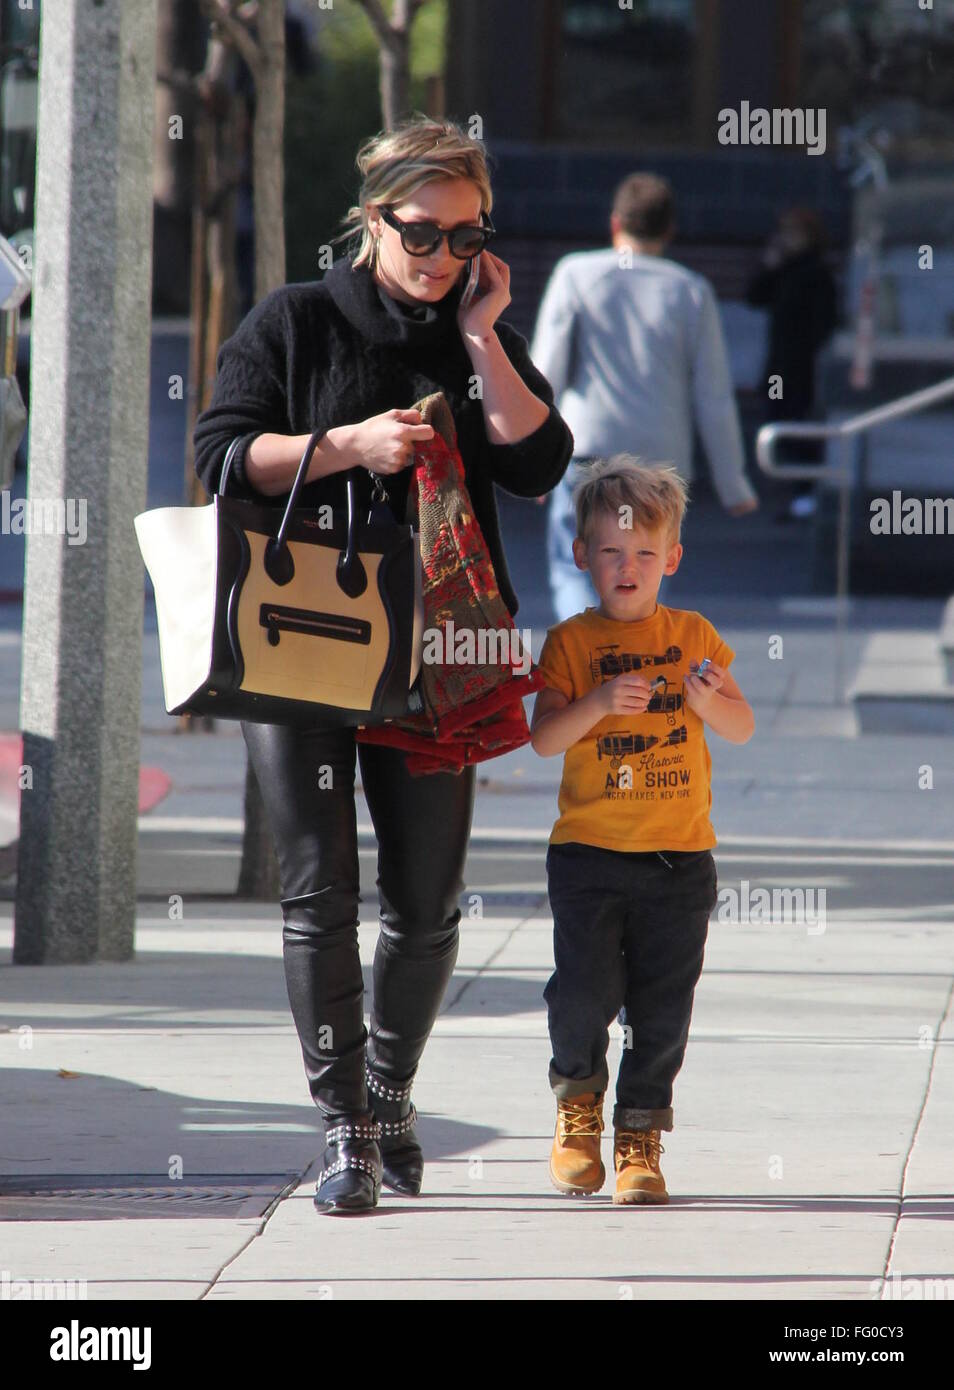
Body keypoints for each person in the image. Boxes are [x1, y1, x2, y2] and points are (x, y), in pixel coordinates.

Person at [193, 116, 573, 1215]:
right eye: (422, 231)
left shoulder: (468, 329)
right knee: (319, 896)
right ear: (373, 218)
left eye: (467, 236)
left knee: (428, 901)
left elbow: (540, 461)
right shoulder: (297, 321)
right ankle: (348, 1128)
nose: (443, 256)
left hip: (436, 653)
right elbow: (223, 455)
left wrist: (487, 340)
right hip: (300, 641)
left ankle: (391, 1089)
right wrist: (350, 445)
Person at [529, 458, 754, 1203]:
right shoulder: (568, 642)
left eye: (645, 554)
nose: (629, 567)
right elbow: (546, 739)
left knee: (664, 1007)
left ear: (673, 560)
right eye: (612, 552)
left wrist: (712, 696)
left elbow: (743, 726)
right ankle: (577, 1109)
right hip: (588, 855)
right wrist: (596, 702)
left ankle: (640, 1137)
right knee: (582, 994)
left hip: (678, 859)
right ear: (581, 556)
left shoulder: (694, 635)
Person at [530, 172, 759, 622]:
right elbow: (713, 393)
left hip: (583, 452)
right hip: (659, 464)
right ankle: (621, 667)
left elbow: (544, 376)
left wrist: (531, 461)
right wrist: (733, 482)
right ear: (669, 231)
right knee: (643, 575)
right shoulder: (690, 290)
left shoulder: (575, 274)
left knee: (573, 566)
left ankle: (586, 664)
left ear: (615, 223)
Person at [746, 207, 838, 522]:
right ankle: (799, 494)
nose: (785, 239)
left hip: (802, 367)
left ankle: (806, 494)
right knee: (780, 423)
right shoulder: (784, 270)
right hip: (779, 365)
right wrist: (769, 265)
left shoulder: (816, 273)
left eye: (792, 233)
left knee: (800, 429)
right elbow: (755, 296)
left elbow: (824, 323)